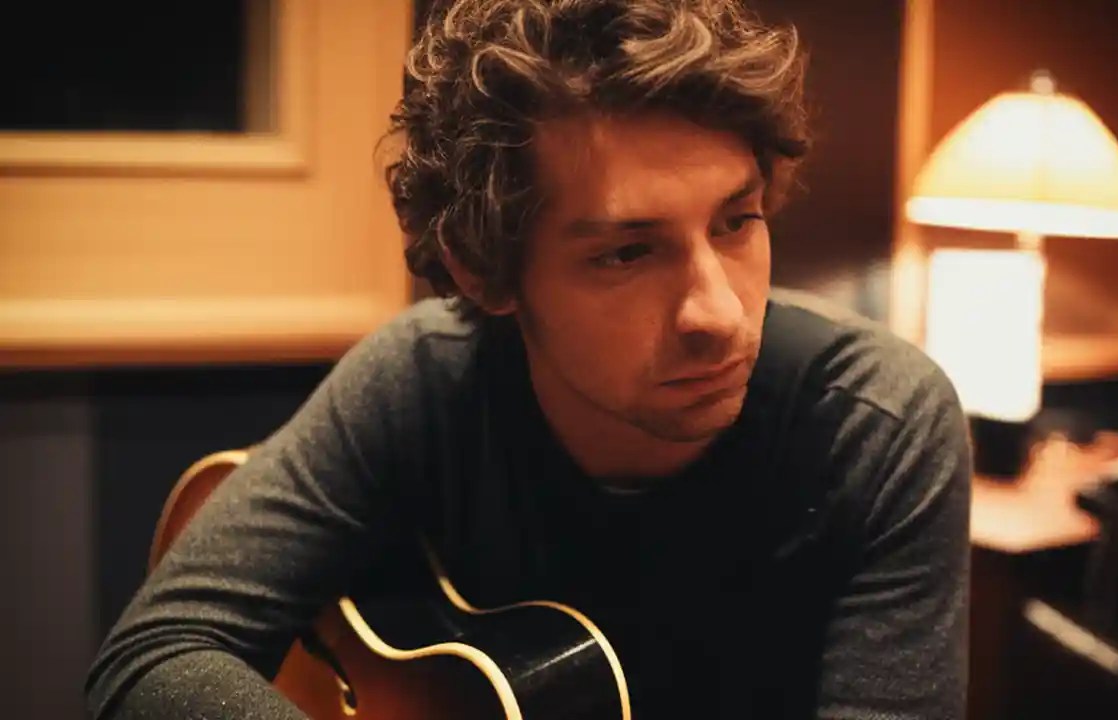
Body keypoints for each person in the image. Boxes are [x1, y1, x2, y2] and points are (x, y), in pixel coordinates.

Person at [86, 0, 972, 717]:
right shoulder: (425, 378)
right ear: (485, 273)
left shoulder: (880, 426)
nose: (716, 310)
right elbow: (155, 656)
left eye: (737, 222)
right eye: (628, 252)